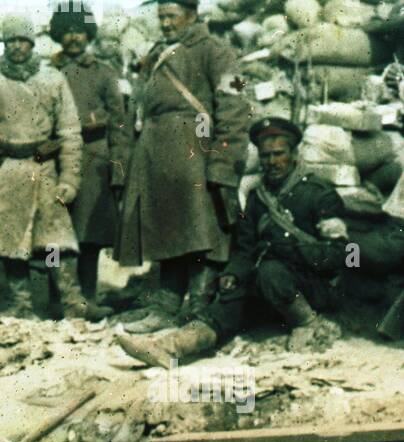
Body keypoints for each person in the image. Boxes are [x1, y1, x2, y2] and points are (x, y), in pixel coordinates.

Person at [117, 117, 350, 369]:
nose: (271, 162)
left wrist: (291, 251)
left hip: (311, 288)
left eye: (278, 154)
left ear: (294, 154)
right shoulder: (258, 197)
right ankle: (168, 349)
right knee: (227, 303)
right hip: (269, 285)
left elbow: (342, 254)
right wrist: (233, 274)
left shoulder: (319, 194)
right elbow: (245, 247)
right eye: (265, 156)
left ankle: (306, 323)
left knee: (271, 271)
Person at [115, 0, 252, 335]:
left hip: (197, 153)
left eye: (171, 16)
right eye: (161, 17)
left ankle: (199, 307)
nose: (165, 23)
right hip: (157, 155)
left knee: (203, 232)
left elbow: (236, 108)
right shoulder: (157, 52)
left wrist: (223, 160)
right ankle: (165, 305)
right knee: (168, 229)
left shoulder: (219, 52)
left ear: (192, 16)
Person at [0, 16, 95, 320]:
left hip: (44, 170)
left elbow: (69, 133)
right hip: (4, 173)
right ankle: (23, 305)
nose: (17, 47)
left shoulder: (52, 80)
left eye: (23, 41)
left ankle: (70, 300)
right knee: (13, 246)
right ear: (4, 44)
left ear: (32, 43)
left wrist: (70, 178)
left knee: (53, 242)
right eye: (11, 41)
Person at [50, 3, 130, 315]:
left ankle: (87, 296)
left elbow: (120, 124)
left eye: (79, 31)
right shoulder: (49, 72)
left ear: (89, 34)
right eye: (67, 31)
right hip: (55, 159)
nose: (73, 38)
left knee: (90, 235)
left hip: (94, 159)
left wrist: (119, 168)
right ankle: (56, 297)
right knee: (53, 235)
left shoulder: (103, 72)